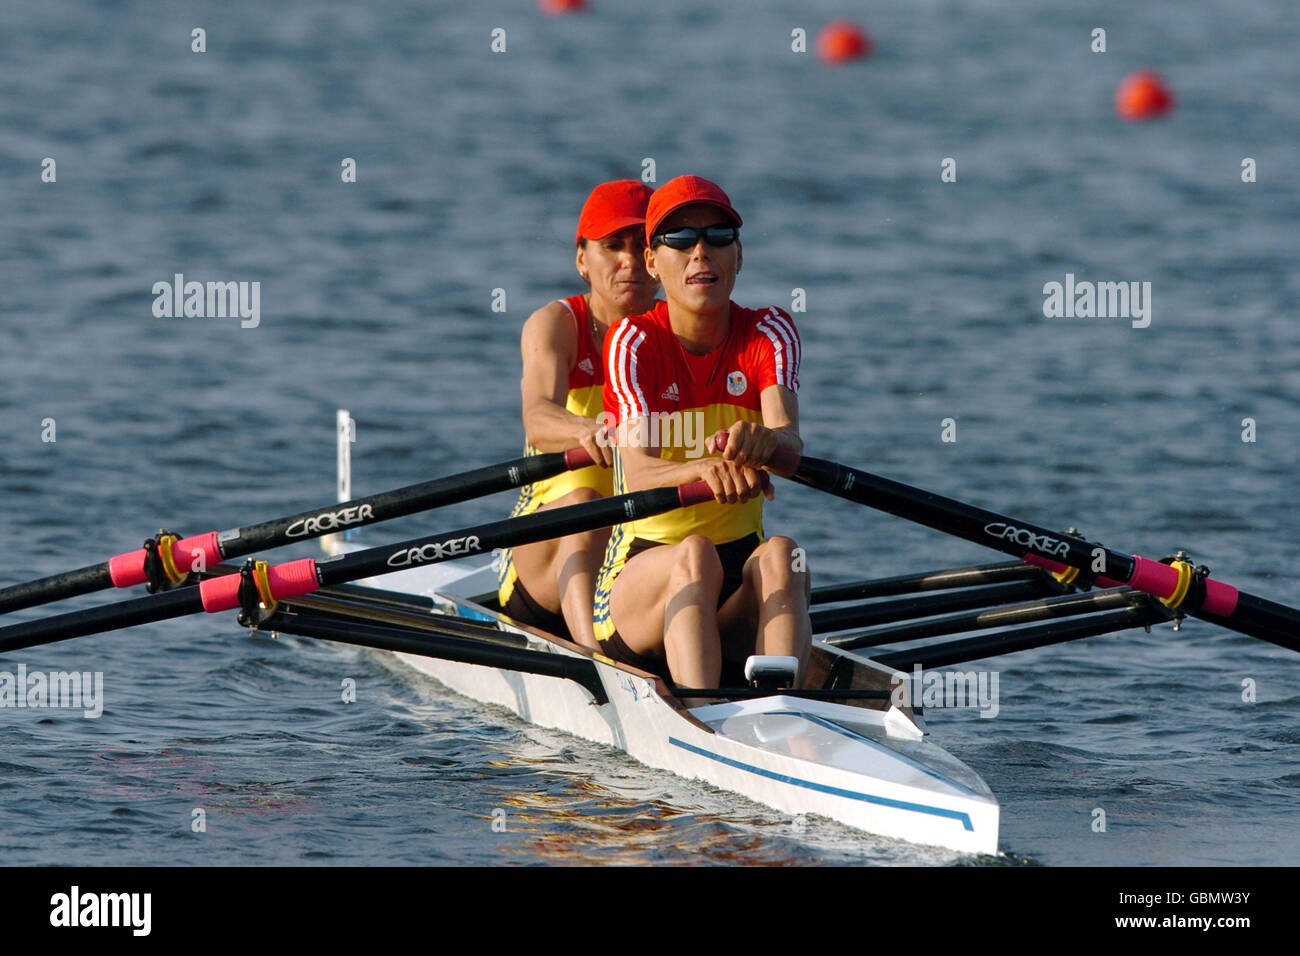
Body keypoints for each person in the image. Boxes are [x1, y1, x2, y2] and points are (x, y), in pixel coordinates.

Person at [592, 175, 810, 697]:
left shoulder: (769, 332)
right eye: (680, 240)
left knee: (783, 553)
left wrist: (769, 443)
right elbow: (639, 471)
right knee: (694, 552)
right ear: (652, 263)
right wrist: (701, 468)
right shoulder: (634, 341)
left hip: (737, 573)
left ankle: (782, 709)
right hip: (643, 571)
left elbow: (790, 443)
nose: (700, 253)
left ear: (738, 257)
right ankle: (701, 715)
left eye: (717, 237)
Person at [497, 180, 659, 649]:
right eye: (612, 246)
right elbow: (538, 417)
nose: (628, 261)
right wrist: (588, 430)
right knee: (587, 497)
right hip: (544, 557)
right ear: (582, 260)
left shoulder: (674, 335)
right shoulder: (556, 324)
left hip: (633, 539)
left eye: (642, 246)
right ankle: (595, 656)